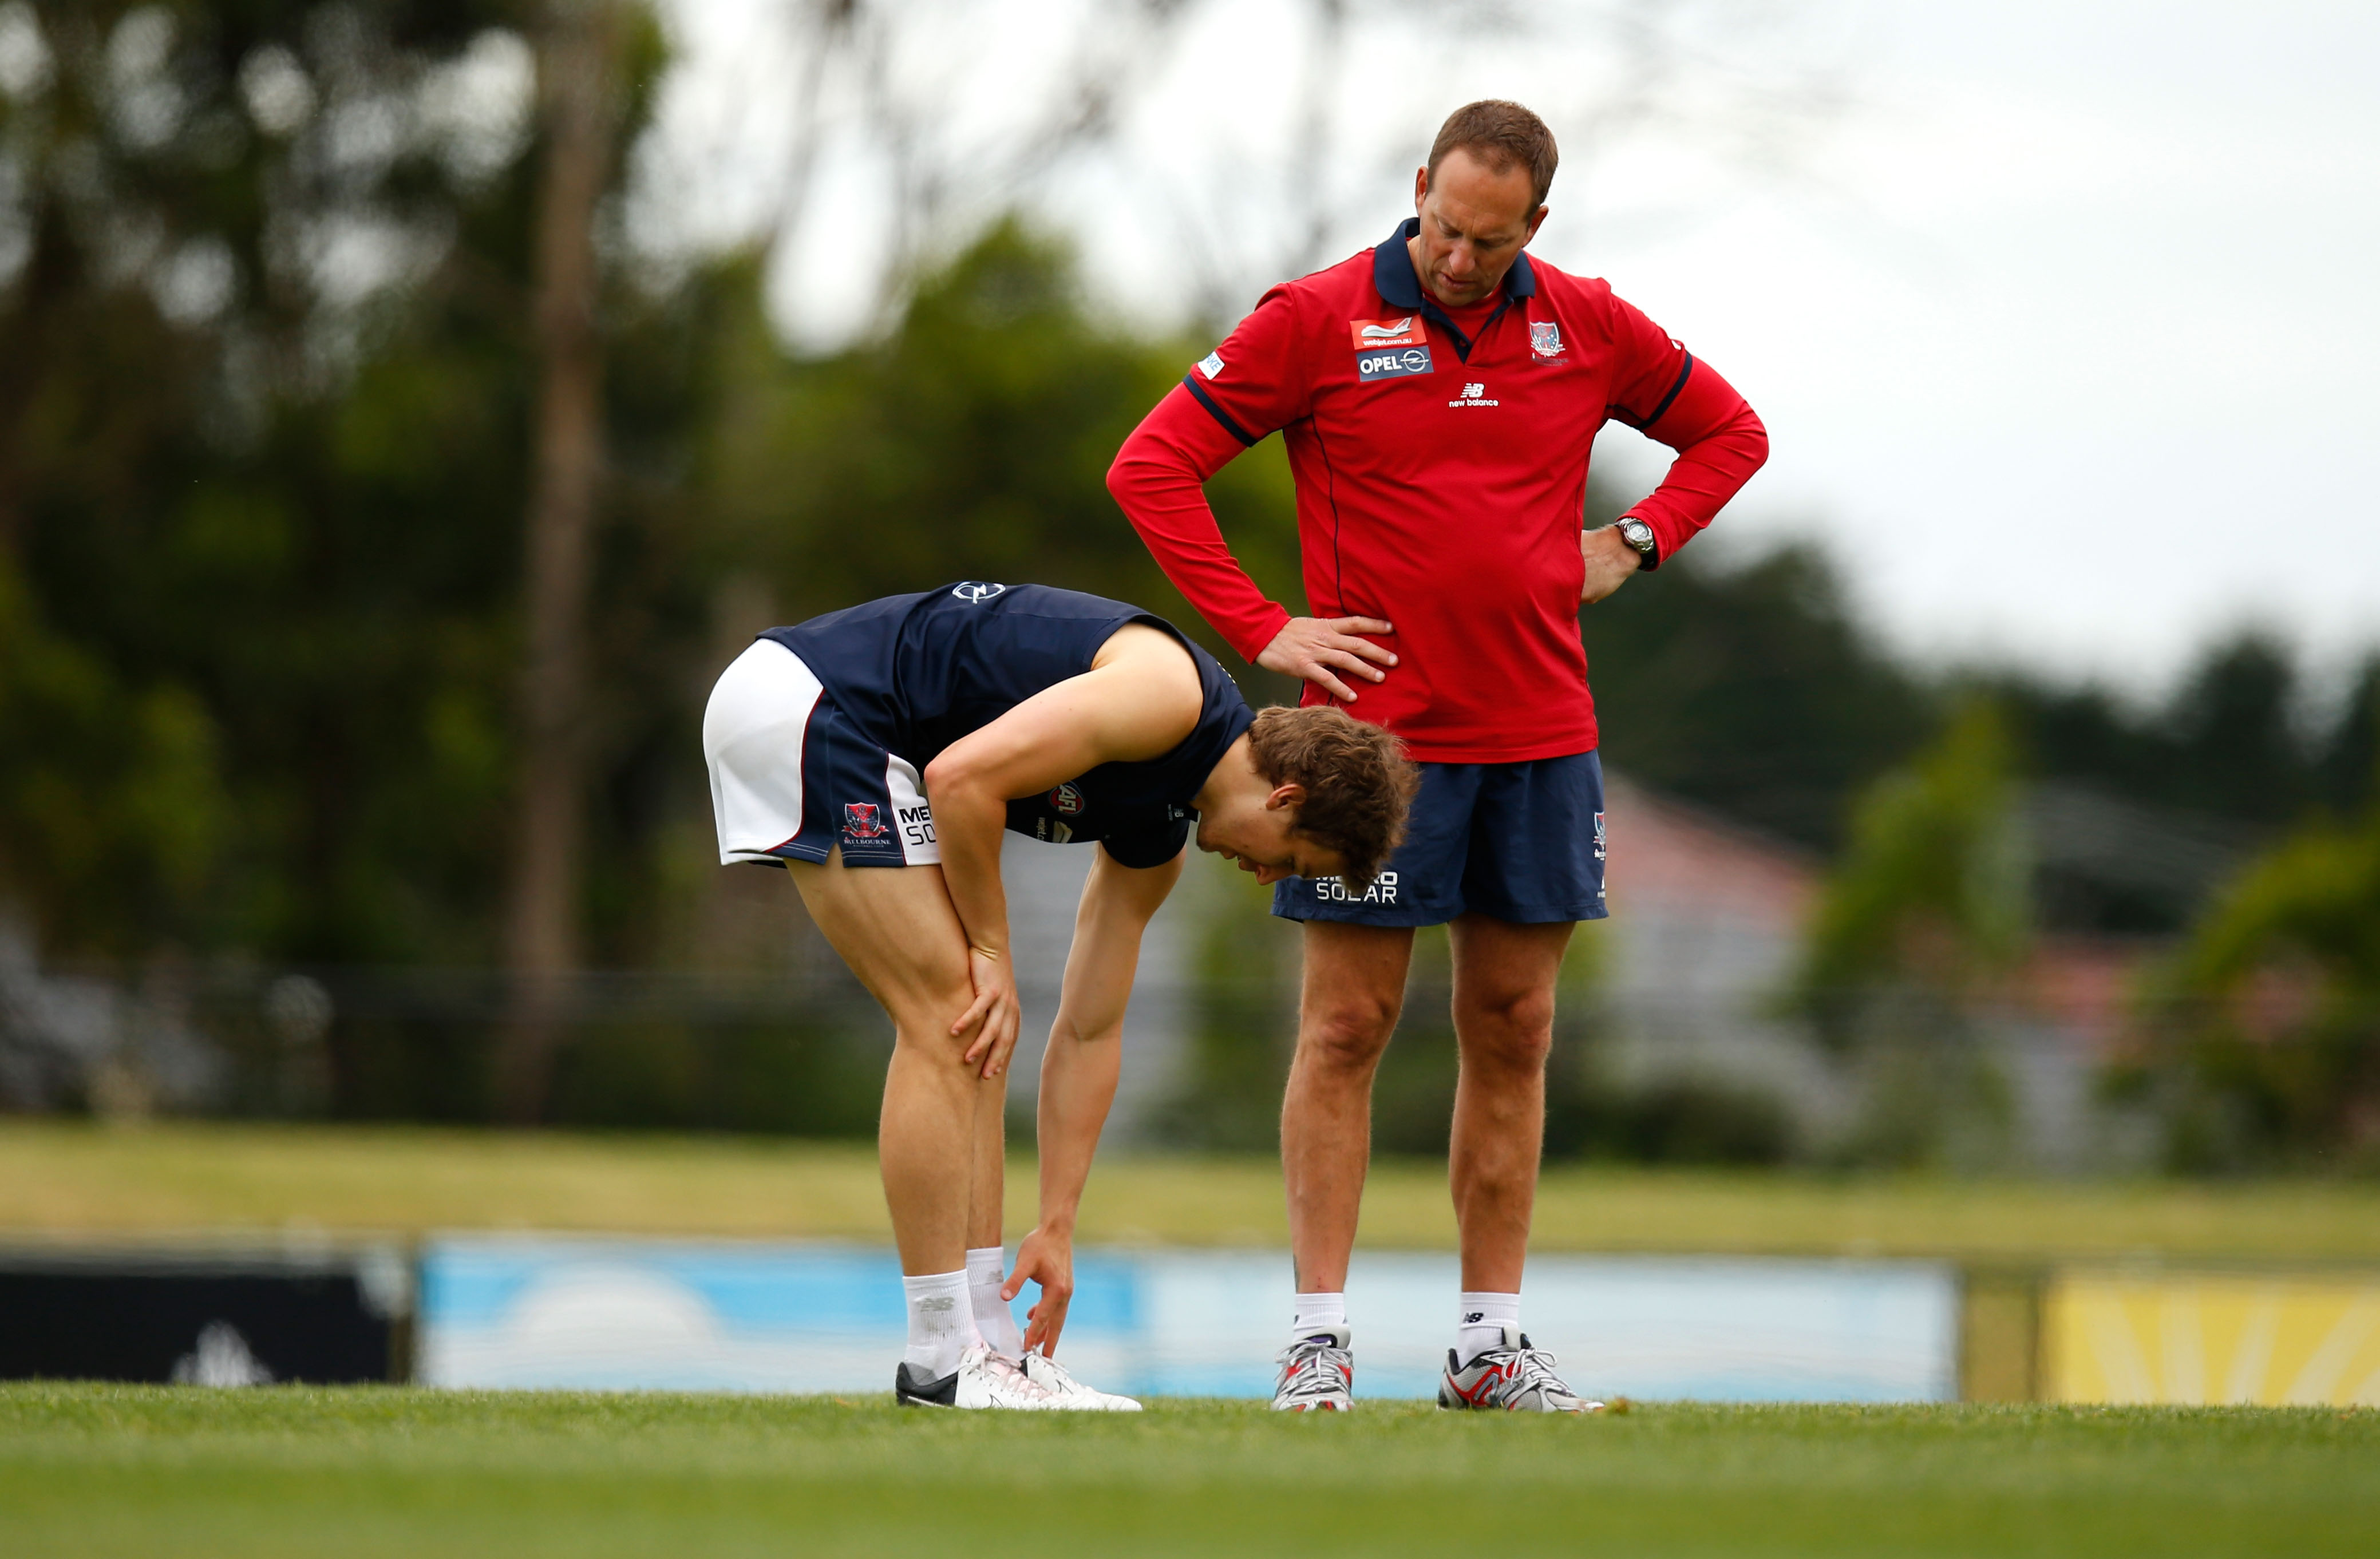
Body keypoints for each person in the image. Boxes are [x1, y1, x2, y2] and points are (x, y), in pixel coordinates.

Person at [1108, 100, 1769, 1411]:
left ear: (1535, 223)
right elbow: (1153, 466)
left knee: (1515, 1030)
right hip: (1373, 755)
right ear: (1419, 188)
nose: (1458, 257)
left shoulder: (1589, 321)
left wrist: (1634, 541)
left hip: (1542, 739)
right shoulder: (1314, 317)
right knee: (1347, 1025)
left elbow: (1732, 434)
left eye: (1488, 238)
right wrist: (1264, 627)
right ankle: (1317, 1341)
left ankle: (1488, 1346)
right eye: (1442, 226)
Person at [702, 580, 1415, 1409]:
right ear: (1284, 798)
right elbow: (961, 779)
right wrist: (990, 949)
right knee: (950, 1018)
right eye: (1289, 861)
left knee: (977, 1034)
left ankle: (986, 1349)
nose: (1266, 878)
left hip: (843, 725)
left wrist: (1058, 1223)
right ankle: (941, 1358)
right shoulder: (1166, 697)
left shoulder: (1158, 832)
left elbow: (1089, 1026)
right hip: (814, 702)